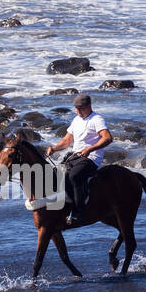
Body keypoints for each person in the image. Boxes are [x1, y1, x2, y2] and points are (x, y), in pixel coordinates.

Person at [45, 93, 112, 227]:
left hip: (92, 158)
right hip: (75, 156)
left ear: (89, 106)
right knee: (56, 175)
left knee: (74, 176)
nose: (78, 111)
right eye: (76, 108)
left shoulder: (97, 119)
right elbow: (66, 140)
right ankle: (63, 207)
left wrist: (90, 149)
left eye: (80, 108)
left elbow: (107, 138)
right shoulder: (76, 120)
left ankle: (79, 212)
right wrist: (54, 148)